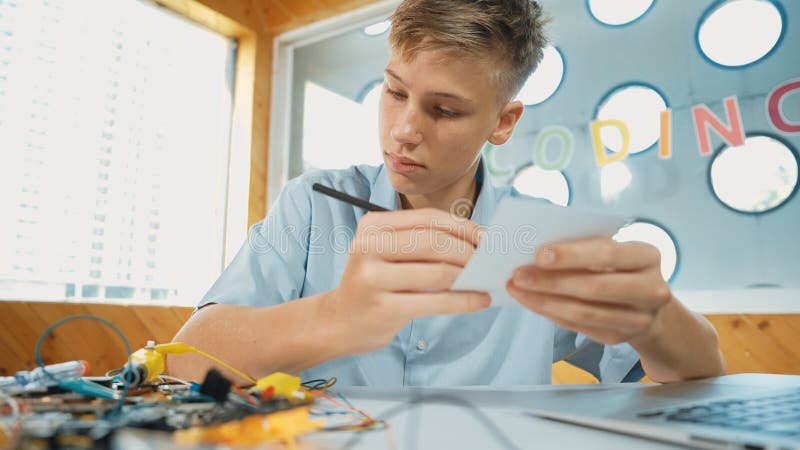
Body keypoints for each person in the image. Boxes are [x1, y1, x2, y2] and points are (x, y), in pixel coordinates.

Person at [169, 0, 725, 386]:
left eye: (444, 110)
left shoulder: (539, 241)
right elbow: (185, 359)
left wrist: (659, 319)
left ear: (503, 122)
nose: (404, 130)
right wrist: (335, 316)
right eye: (394, 92)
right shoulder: (315, 205)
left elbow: (698, 374)